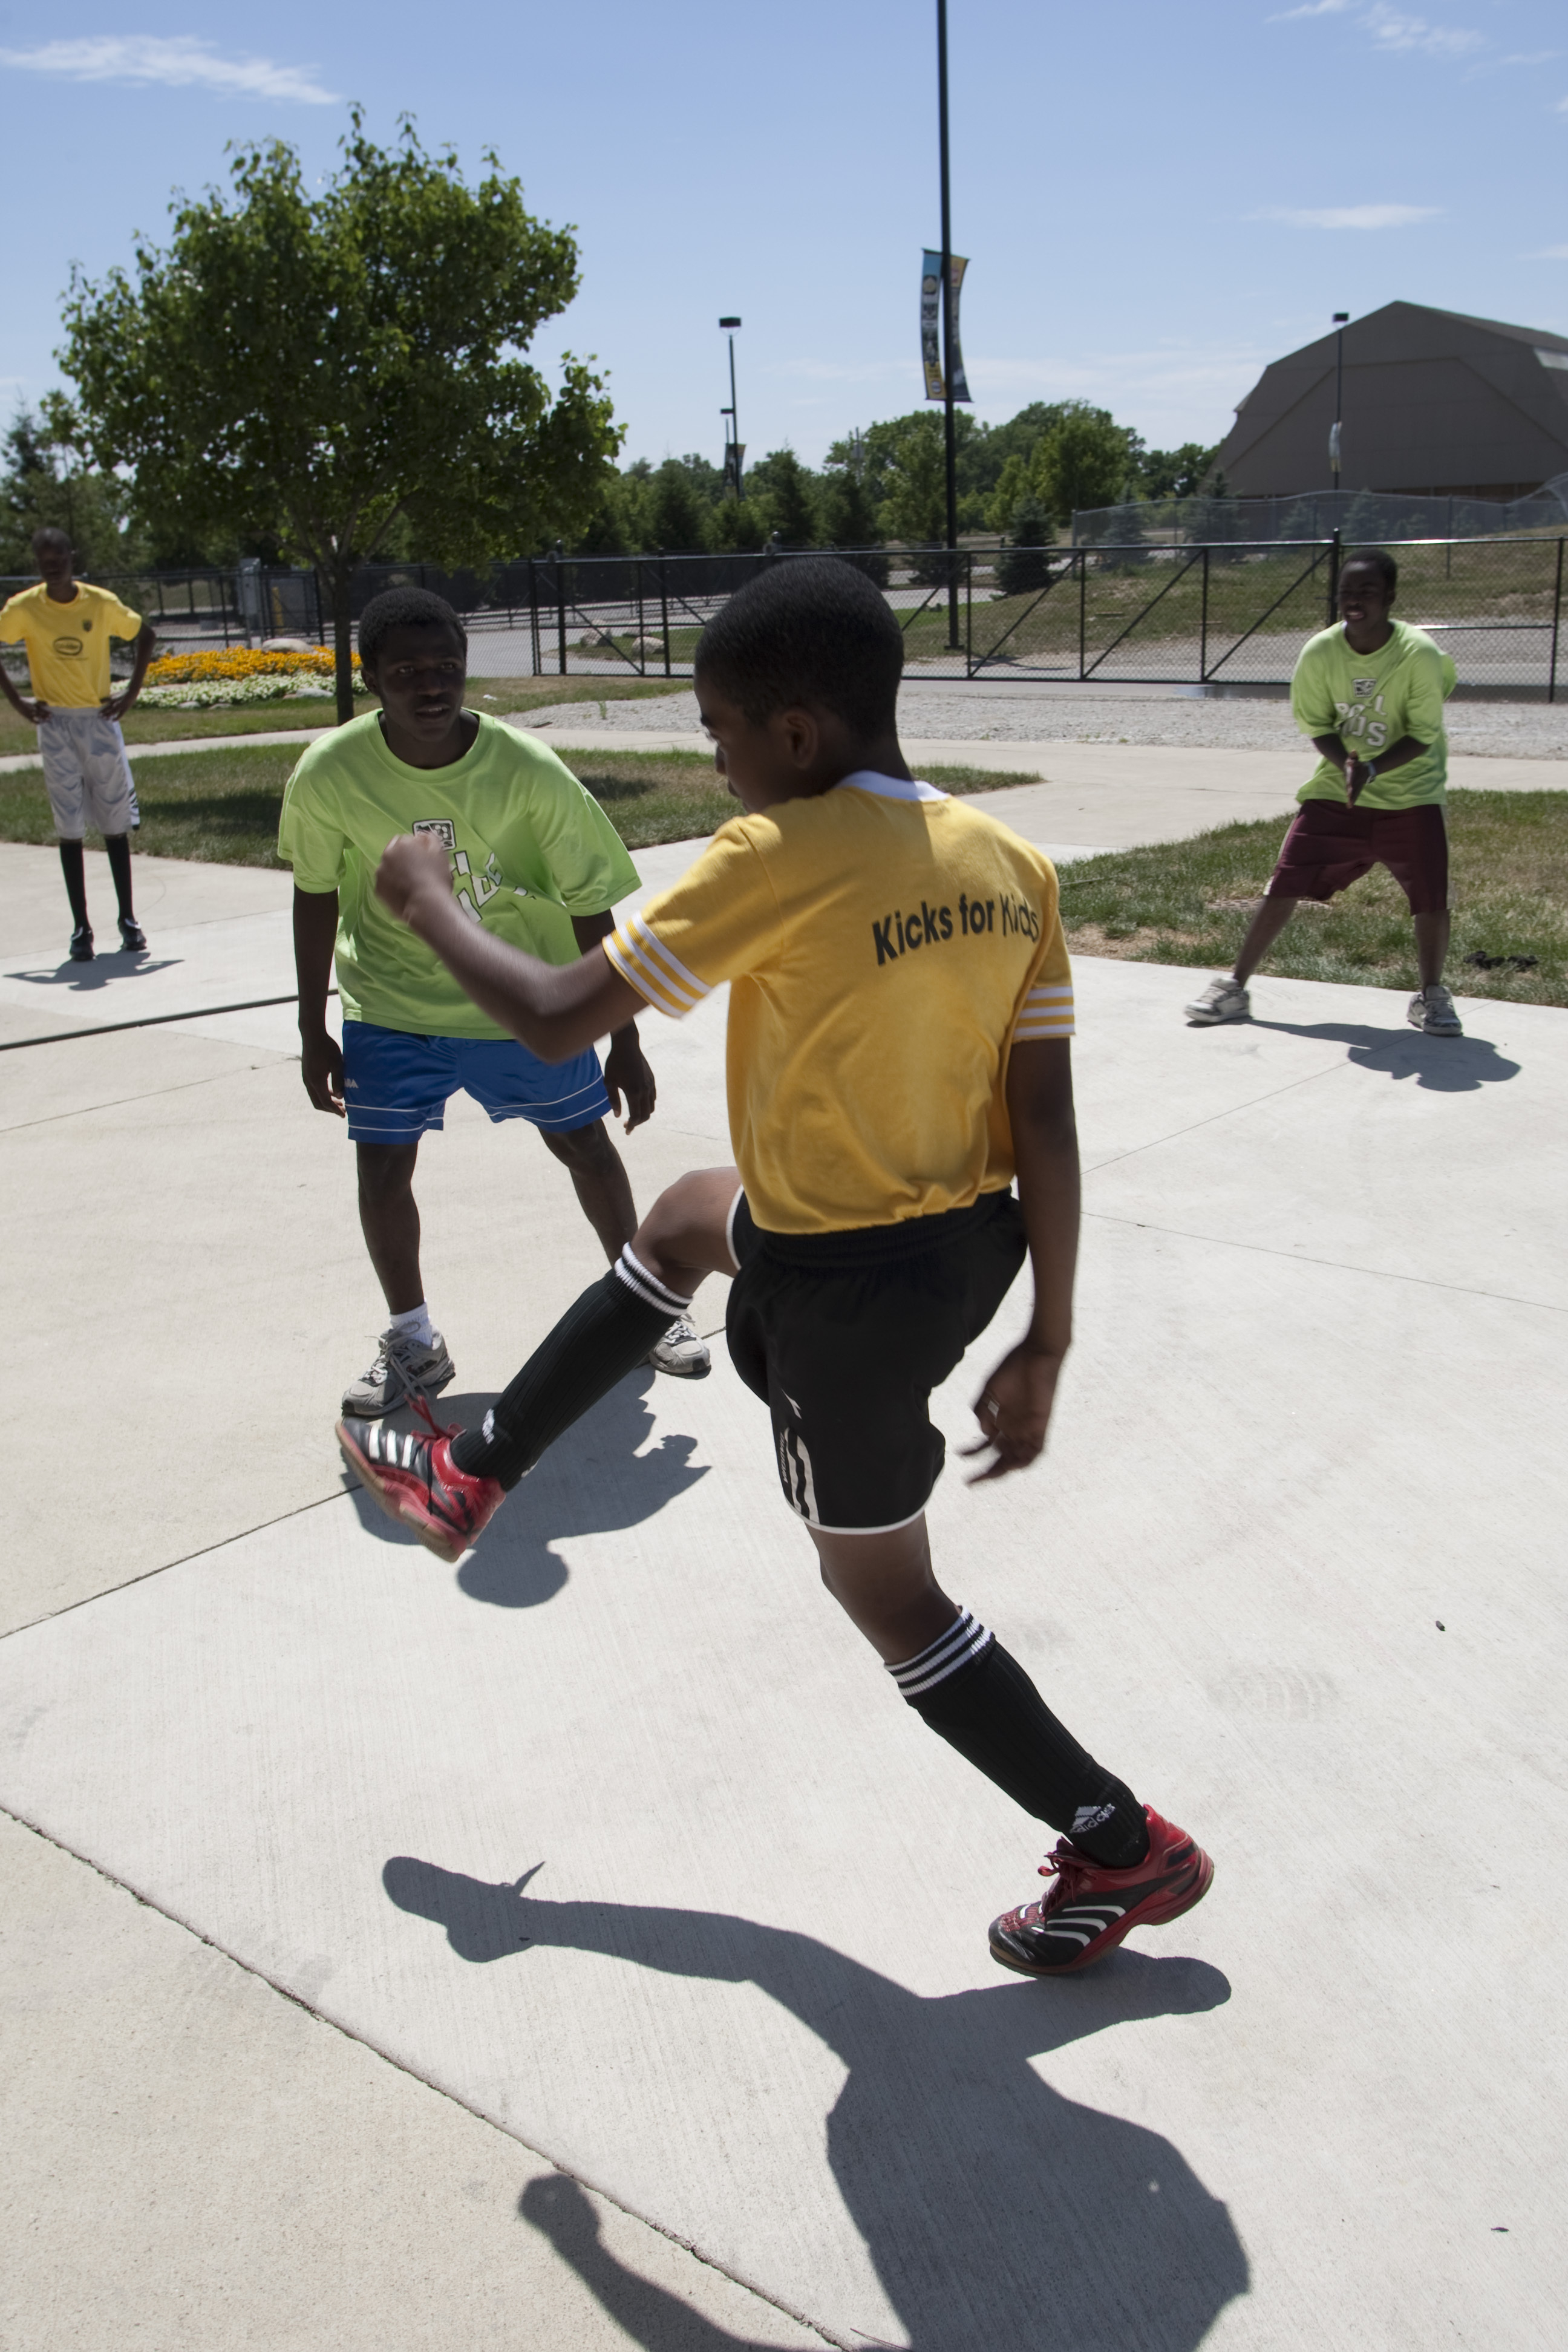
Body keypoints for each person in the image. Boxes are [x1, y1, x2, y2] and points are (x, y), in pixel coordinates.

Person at [341, 558, 1213, 1979]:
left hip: (845, 1302)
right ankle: (475, 1469)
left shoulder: (778, 854)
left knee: (890, 1600)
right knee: (689, 1209)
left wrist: (428, 895)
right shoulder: (1009, 863)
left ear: (795, 734)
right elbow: (1045, 1119)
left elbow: (559, 1018)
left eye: (720, 732)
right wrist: (1046, 1333)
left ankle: (1119, 1841)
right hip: (965, 1249)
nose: (719, 760)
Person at [276, 585, 708, 1420]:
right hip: (391, 1004)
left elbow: (591, 904)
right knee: (381, 1164)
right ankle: (413, 1340)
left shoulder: (525, 769)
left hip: (521, 1003)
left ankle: (644, 1307)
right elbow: (315, 892)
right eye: (408, 671)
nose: (432, 685)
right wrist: (311, 1027)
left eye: (448, 667)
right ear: (370, 677)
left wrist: (624, 1038)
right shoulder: (331, 773)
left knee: (584, 1144)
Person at [1186, 546, 1461, 1036]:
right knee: (1284, 882)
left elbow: (1422, 735)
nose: (1355, 601)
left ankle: (1432, 996)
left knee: (1430, 897)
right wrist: (1349, 765)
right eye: (1346, 592)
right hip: (1338, 793)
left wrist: (1373, 769)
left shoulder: (1419, 654)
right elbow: (1317, 723)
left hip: (1410, 795)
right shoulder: (1320, 651)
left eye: (1367, 592)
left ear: (1390, 598)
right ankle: (1233, 988)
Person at [0, 526, 155, 961]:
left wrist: (130, 694)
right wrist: (17, 701)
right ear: (38, 564)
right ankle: (81, 927)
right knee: (68, 824)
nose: (53, 566)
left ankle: (128, 919)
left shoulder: (99, 604)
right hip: (54, 723)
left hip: (99, 718)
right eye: (45, 561)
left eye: (59, 558)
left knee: (114, 819)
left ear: (72, 555)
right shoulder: (25, 607)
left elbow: (146, 635)